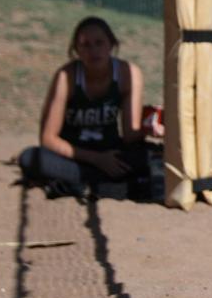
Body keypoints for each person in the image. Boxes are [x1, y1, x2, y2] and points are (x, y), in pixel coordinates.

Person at [19, 16, 162, 201]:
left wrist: (150, 126)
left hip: (111, 153)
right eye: (85, 45)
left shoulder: (128, 73)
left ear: (112, 45)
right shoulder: (66, 77)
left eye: (99, 43)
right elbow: (48, 139)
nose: (93, 50)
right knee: (31, 158)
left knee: (156, 154)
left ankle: (85, 184)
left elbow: (129, 136)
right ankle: (111, 185)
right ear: (76, 50)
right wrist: (97, 159)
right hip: (75, 155)